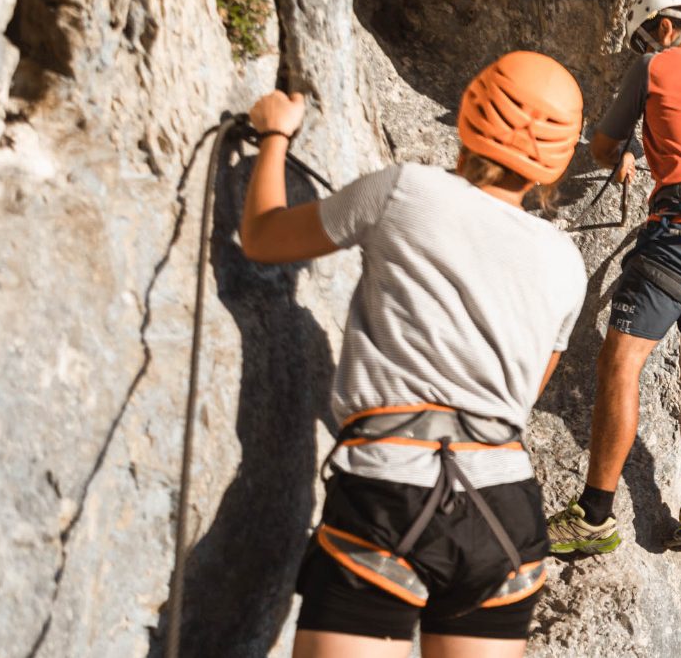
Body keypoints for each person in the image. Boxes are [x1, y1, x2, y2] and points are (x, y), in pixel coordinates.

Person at [238, 51, 586, 657]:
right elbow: (523, 394)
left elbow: (264, 237)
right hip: (504, 510)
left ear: (473, 112)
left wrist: (273, 134)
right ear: (558, 158)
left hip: (392, 493)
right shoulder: (566, 262)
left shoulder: (405, 191)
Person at [545, 0, 681, 554]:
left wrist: (629, 148)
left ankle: (594, 515)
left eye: (645, 35)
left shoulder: (652, 64)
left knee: (621, 359)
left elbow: (602, 143)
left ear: (663, 27)